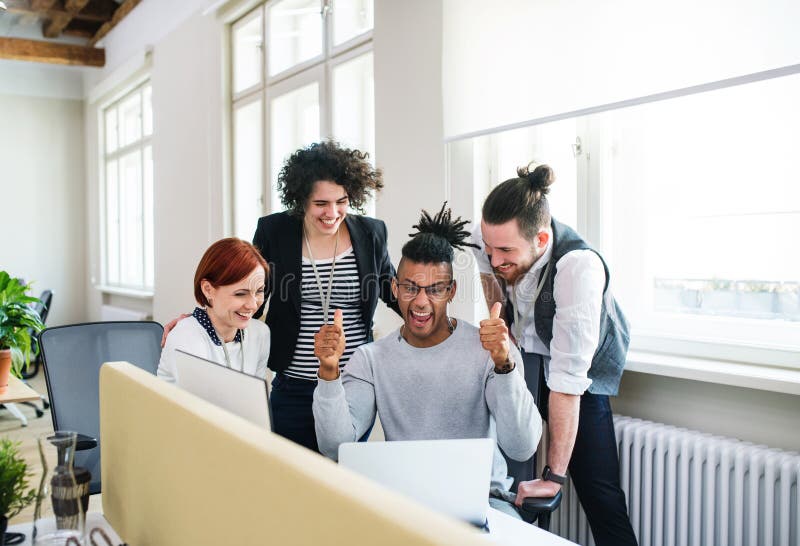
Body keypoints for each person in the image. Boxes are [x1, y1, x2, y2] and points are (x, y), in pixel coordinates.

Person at [312, 203, 541, 518]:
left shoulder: (490, 350)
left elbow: (522, 447)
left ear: (451, 291)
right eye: (410, 288)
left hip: (483, 501)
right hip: (406, 502)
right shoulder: (371, 358)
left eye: (434, 290)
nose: (420, 301)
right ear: (395, 288)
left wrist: (505, 367)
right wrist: (328, 372)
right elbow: (334, 446)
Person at [472, 164, 638, 545]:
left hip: (583, 369)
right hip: (526, 353)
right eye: (490, 247)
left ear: (542, 238)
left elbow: (566, 382)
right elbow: (490, 281)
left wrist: (554, 477)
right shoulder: (487, 239)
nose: (495, 259)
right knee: (515, 484)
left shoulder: (578, 268)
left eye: (506, 251)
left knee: (598, 489)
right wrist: (506, 326)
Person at [250, 141, 400, 451]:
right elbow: (249, 297)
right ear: (301, 198)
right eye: (321, 203)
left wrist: (444, 325)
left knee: (342, 476)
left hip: (354, 384)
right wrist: (204, 323)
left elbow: (396, 293)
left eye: (341, 201)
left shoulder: (371, 233)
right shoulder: (274, 231)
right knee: (290, 477)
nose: (332, 213)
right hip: (293, 385)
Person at [157, 238, 270, 382]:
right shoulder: (186, 338)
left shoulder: (260, 334)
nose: (253, 305)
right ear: (208, 289)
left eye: (259, 291)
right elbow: (200, 404)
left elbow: (256, 399)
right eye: (241, 294)